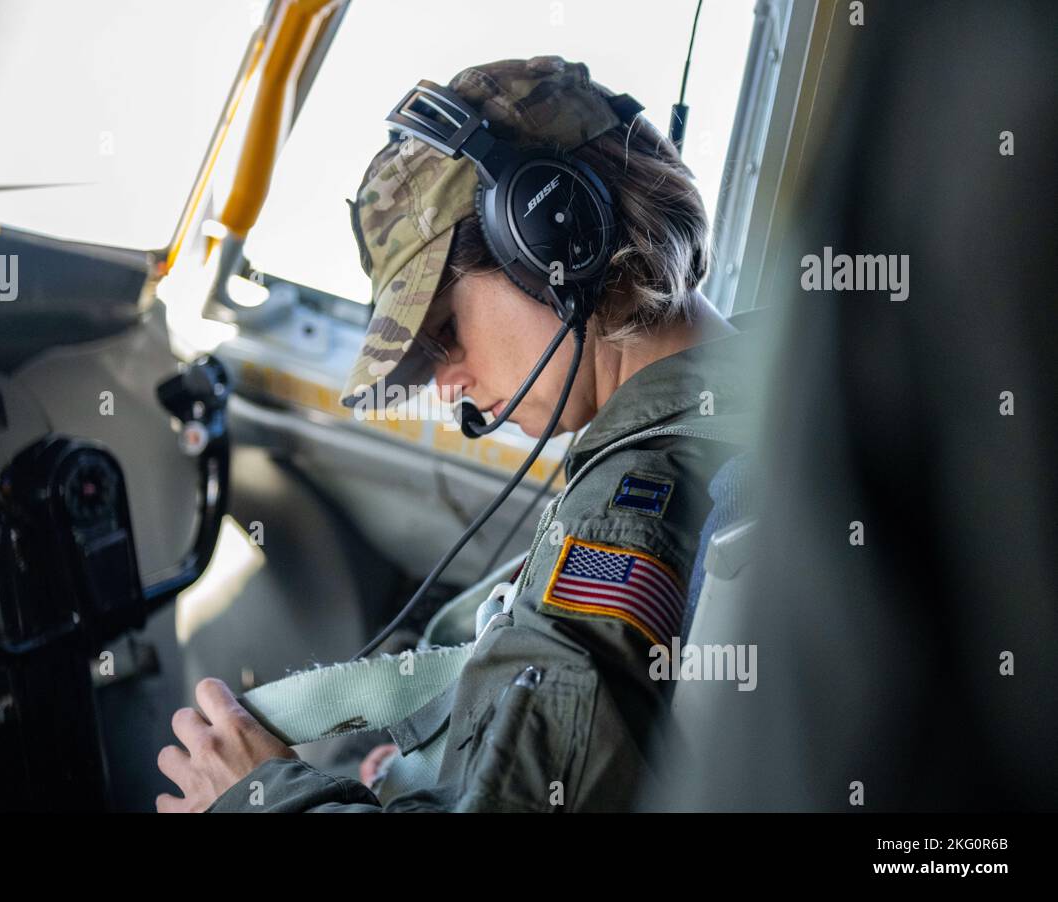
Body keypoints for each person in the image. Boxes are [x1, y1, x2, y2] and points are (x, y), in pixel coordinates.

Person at [156, 56, 760, 813]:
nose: (447, 384)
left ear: (553, 235)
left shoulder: (632, 508)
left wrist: (260, 797)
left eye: (446, 329)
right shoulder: (764, 399)